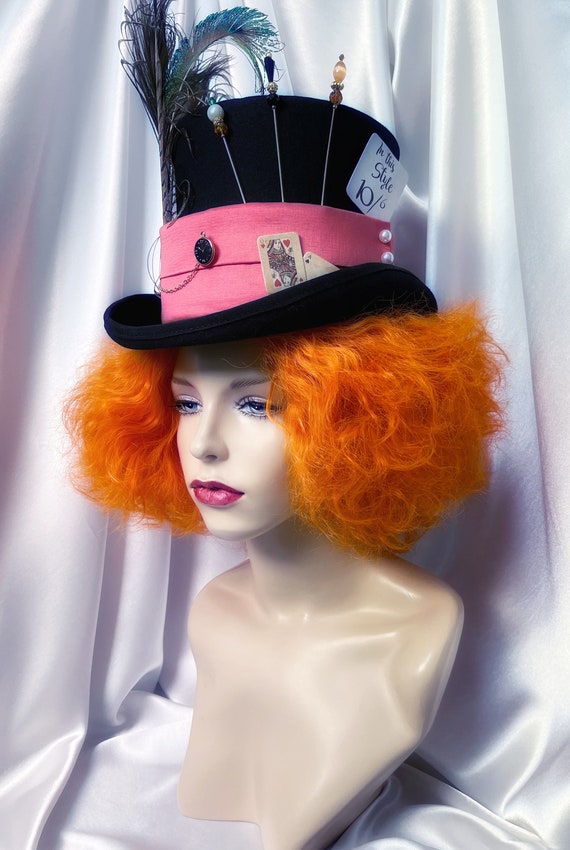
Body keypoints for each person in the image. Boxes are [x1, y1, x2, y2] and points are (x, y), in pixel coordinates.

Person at [64, 16, 504, 848]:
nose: (205, 443)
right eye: (185, 403)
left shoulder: (412, 641)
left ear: (360, 414)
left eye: (257, 405)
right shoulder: (213, 616)